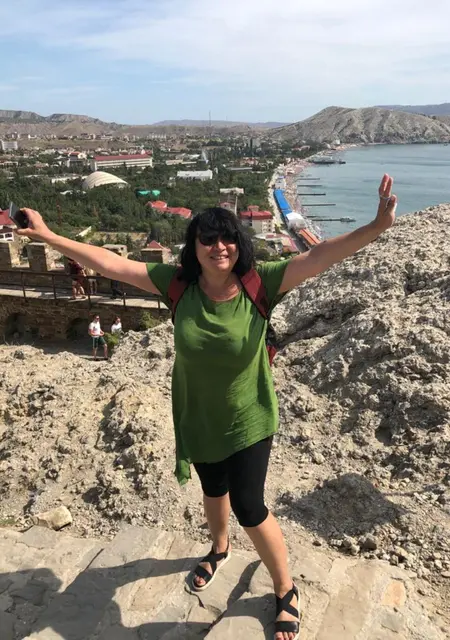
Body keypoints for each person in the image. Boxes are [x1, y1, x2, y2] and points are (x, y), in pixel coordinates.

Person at [15, 175, 397, 640]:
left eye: (227, 238)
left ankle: (285, 588)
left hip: (250, 415)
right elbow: (111, 263)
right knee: (213, 488)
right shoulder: (178, 286)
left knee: (250, 506)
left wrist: (376, 226)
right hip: (197, 414)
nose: (219, 246)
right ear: (193, 248)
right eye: (208, 239)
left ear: (239, 244)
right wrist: (48, 236)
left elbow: (320, 256)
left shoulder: (261, 282)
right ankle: (219, 548)